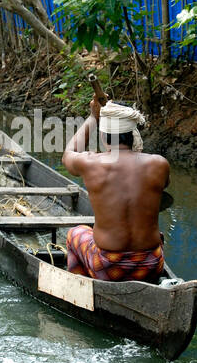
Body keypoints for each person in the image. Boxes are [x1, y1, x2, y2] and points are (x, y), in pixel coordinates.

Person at [61, 92, 170, 283]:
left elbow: (69, 153)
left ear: (104, 135)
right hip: (152, 264)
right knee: (158, 236)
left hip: (108, 267)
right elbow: (163, 189)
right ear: (132, 134)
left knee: (75, 233)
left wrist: (93, 117)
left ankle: (81, 287)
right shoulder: (159, 164)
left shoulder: (90, 163)